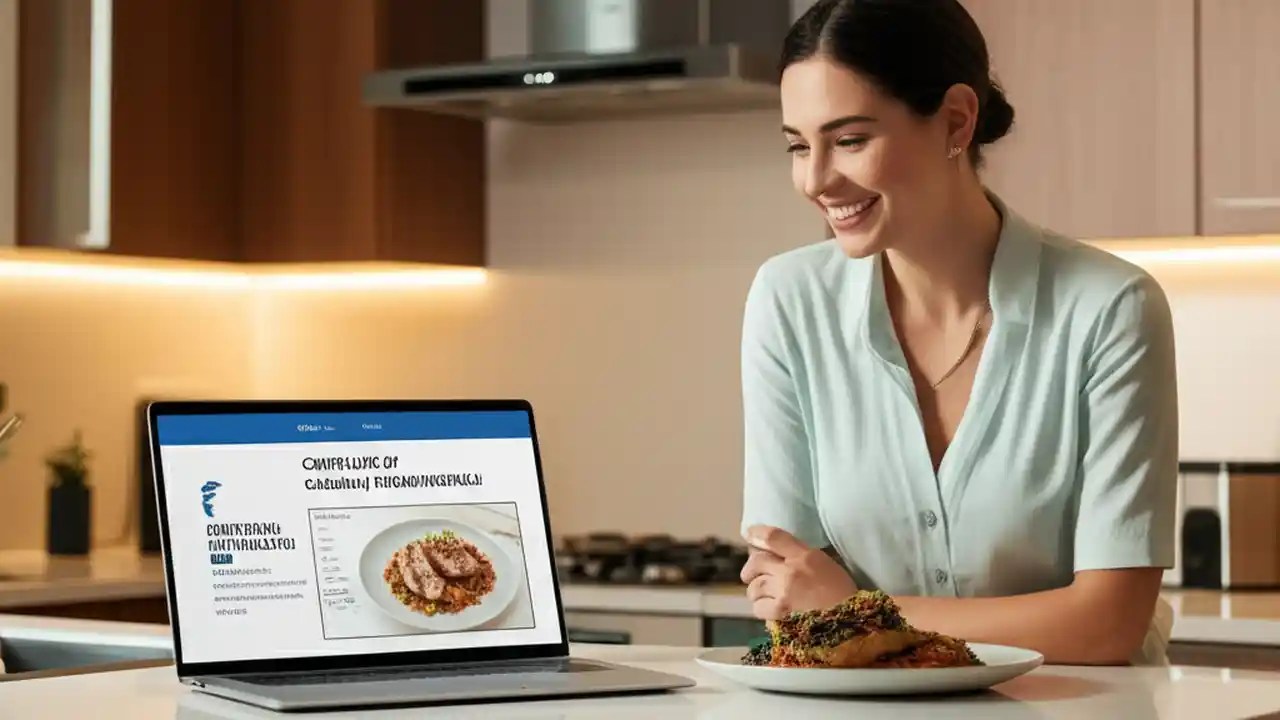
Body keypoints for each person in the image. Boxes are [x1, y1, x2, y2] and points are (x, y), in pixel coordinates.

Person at [738, 0, 1178, 666]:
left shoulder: (1109, 308)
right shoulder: (789, 301)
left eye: (850, 140)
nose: (815, 179)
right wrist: (824, 607)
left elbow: (1108, 625)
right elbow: (789, 595)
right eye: (799, 145)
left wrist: (854, 609)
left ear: (955, 121)